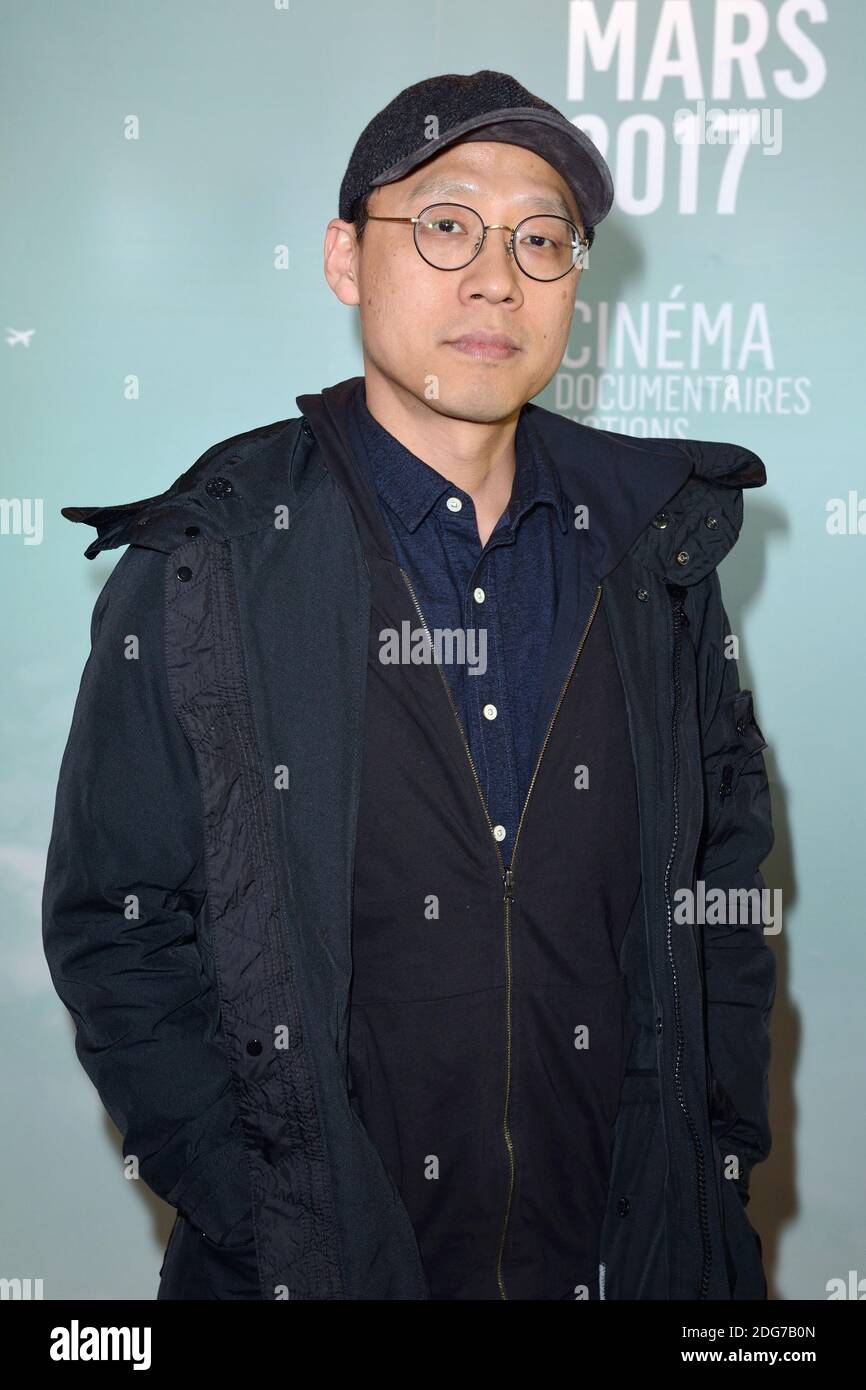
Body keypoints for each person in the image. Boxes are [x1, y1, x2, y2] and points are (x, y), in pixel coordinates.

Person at [42, 69, 776, 1301]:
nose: (495, 276)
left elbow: (718, 888)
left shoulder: (655, 551)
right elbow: (118, 932)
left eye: (541, 239)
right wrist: (272, 1219)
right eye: (444, 224)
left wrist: (709, 1172)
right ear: (346, 258)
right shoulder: (211, 563)